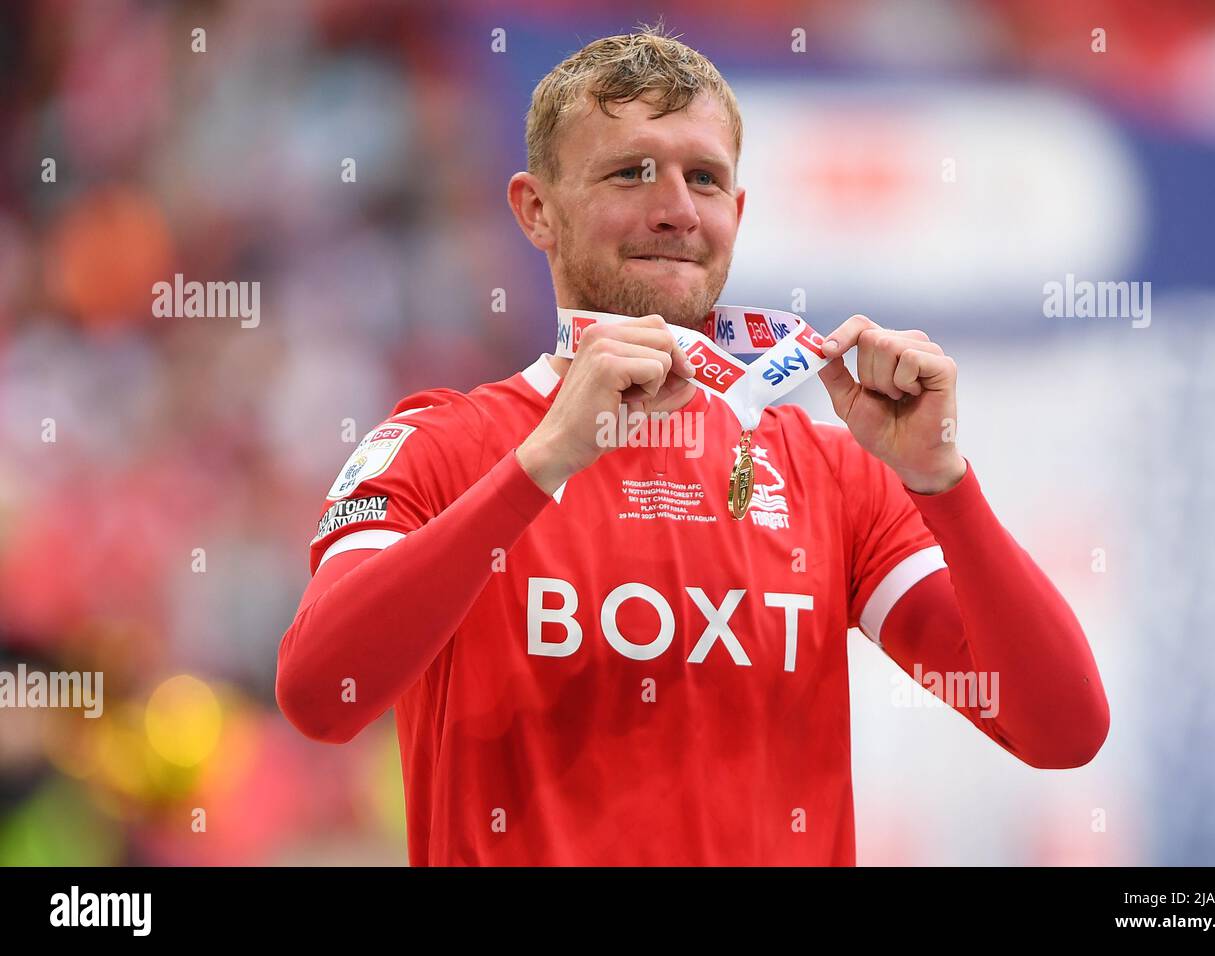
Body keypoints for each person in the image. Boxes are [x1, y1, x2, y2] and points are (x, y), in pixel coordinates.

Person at [275, 24, 1109, 866]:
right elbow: (321, 698)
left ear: (736, 215)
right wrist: (543, 463)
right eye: (632, 171)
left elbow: (1063, 730)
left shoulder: (831, 474)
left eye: (703, 178)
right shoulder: (442, 446)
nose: (675, 207)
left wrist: (945, 487)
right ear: (537, 211)